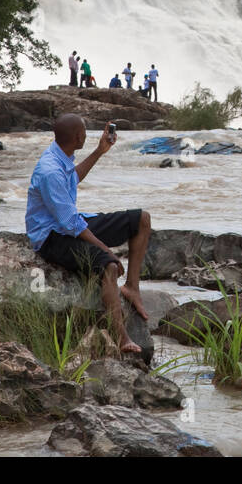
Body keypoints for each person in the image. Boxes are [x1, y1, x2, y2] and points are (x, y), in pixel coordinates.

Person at [24, 113, 152, 354]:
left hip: (68, 224)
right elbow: (70, 224)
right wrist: (106, 250)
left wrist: (99, 151)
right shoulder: (50, 170)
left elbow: (71, 180)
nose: (86, 134)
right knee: (109, 266)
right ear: (77, 137)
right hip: (52, 237)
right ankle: (123, 337)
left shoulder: (59, 155)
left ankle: (132, 288)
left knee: (141, 219)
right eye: (84, 131)